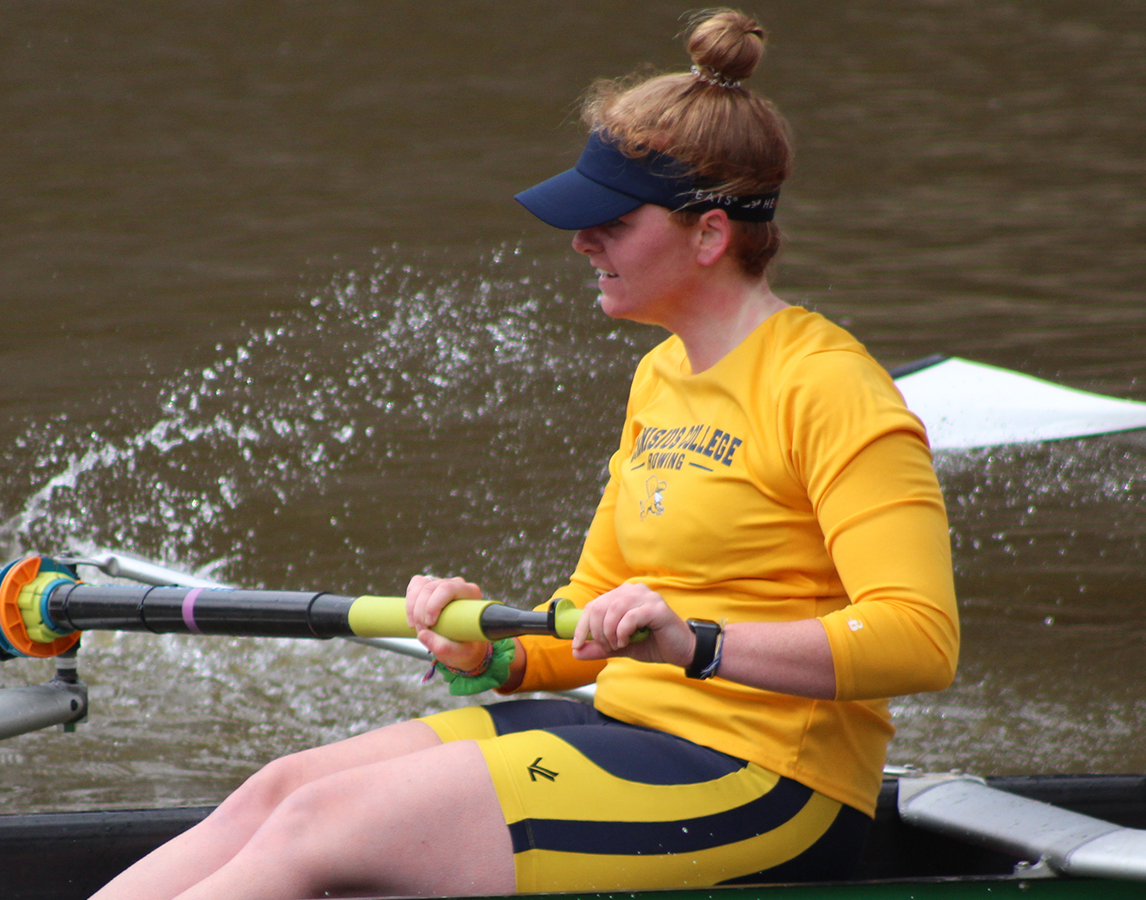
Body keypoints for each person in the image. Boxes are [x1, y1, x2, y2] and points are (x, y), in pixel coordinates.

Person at [92, 10, 957, 900]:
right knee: (279, 793)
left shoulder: (830, 386)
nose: (582, 241)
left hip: (772, 786)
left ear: (709, 234)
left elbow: (920, 639)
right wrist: (489, 647)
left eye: (612, 221)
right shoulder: (662, 376)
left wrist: (696, 644)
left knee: (322, 826)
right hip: (637, 731)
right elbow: (586, 617)